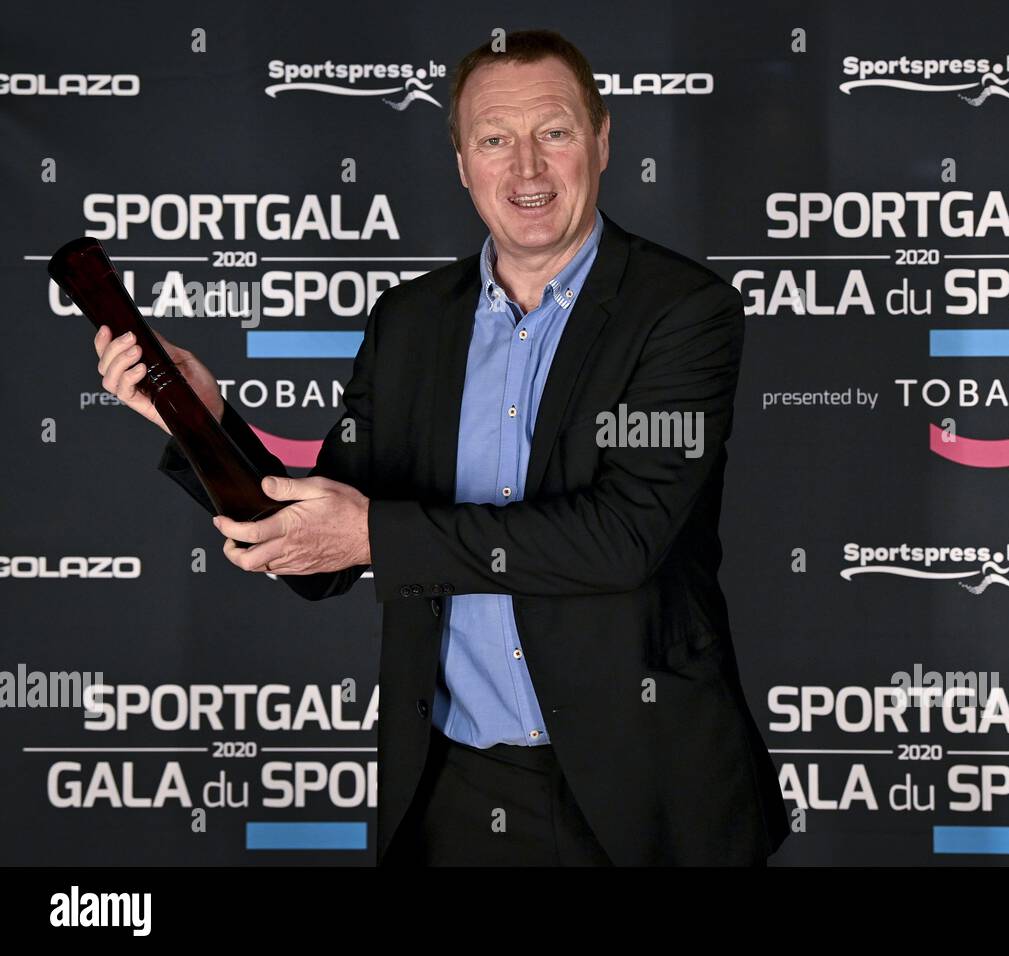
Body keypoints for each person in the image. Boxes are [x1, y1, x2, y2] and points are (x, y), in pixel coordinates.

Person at [92, 28, 789, 866]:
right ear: (462, 162)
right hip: (452, 792)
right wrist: (198, 419)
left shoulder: (684, 310)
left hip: (643, 789)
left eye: (554, 133)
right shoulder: (411, 321)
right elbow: (321, 549)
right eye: (495, 140)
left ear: (602, 140)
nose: (526, 169)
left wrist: (374, 534)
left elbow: (621, 538)